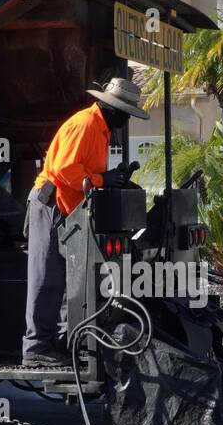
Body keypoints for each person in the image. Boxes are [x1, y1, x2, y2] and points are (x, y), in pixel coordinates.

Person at [22, 77, 149, 367]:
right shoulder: (86, 124)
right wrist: (105, 179)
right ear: (113, 109)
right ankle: (36, 347)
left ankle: (64, 341)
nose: (126, 120)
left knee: (70, 279)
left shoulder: (100, 129)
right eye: (126, 114)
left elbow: (82, 172)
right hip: (51, 205)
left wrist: (110, 178)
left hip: (67, 207)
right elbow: (65, 169)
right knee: (46, 276)